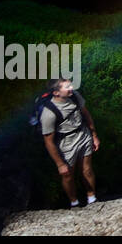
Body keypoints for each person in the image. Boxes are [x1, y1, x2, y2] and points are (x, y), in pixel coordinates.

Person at [39, 79, 99, 207]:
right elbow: (48, 142)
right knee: (67, 175)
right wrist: (60, 164)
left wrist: (94, 135)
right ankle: (74, 202)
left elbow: (86, 114)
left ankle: (92, 198)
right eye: (67, 87)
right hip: (66, 143)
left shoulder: (75, 96)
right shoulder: (48, 113)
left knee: (87, 169)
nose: (71, 87)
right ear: (56, 92)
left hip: (83, 135)